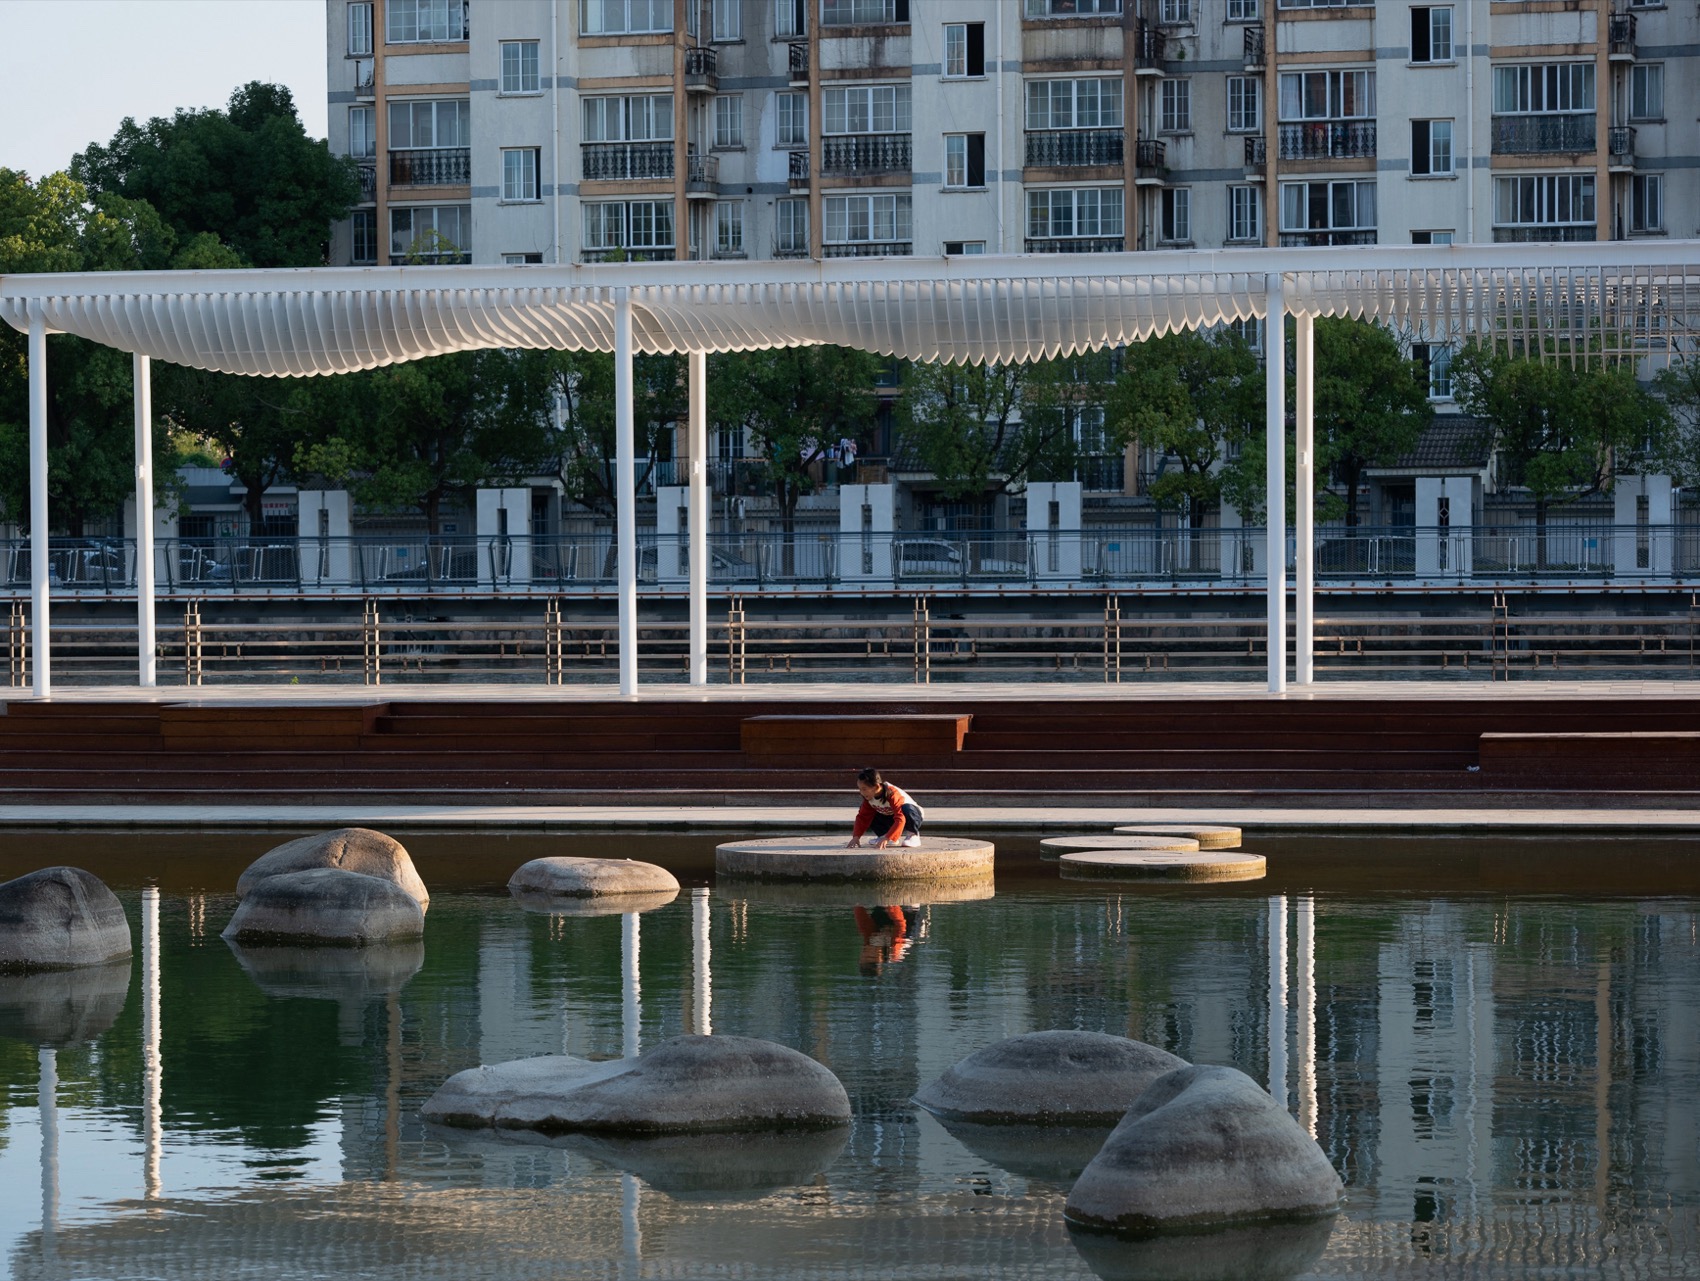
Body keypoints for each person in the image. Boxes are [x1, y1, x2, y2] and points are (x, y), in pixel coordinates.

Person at [847, 767, 923, 848]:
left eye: (864, 789)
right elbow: (862, 817)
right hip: (891, 817)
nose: (861, 792)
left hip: (912, 816)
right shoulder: (869, 798)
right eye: (860, 789)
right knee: (869, 814)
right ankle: (884, 835)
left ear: (876, 787)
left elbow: (900, 818)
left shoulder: (892, 793)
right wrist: (856, 836)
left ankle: (913, 835)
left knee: (906, 808)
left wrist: (887, 838)